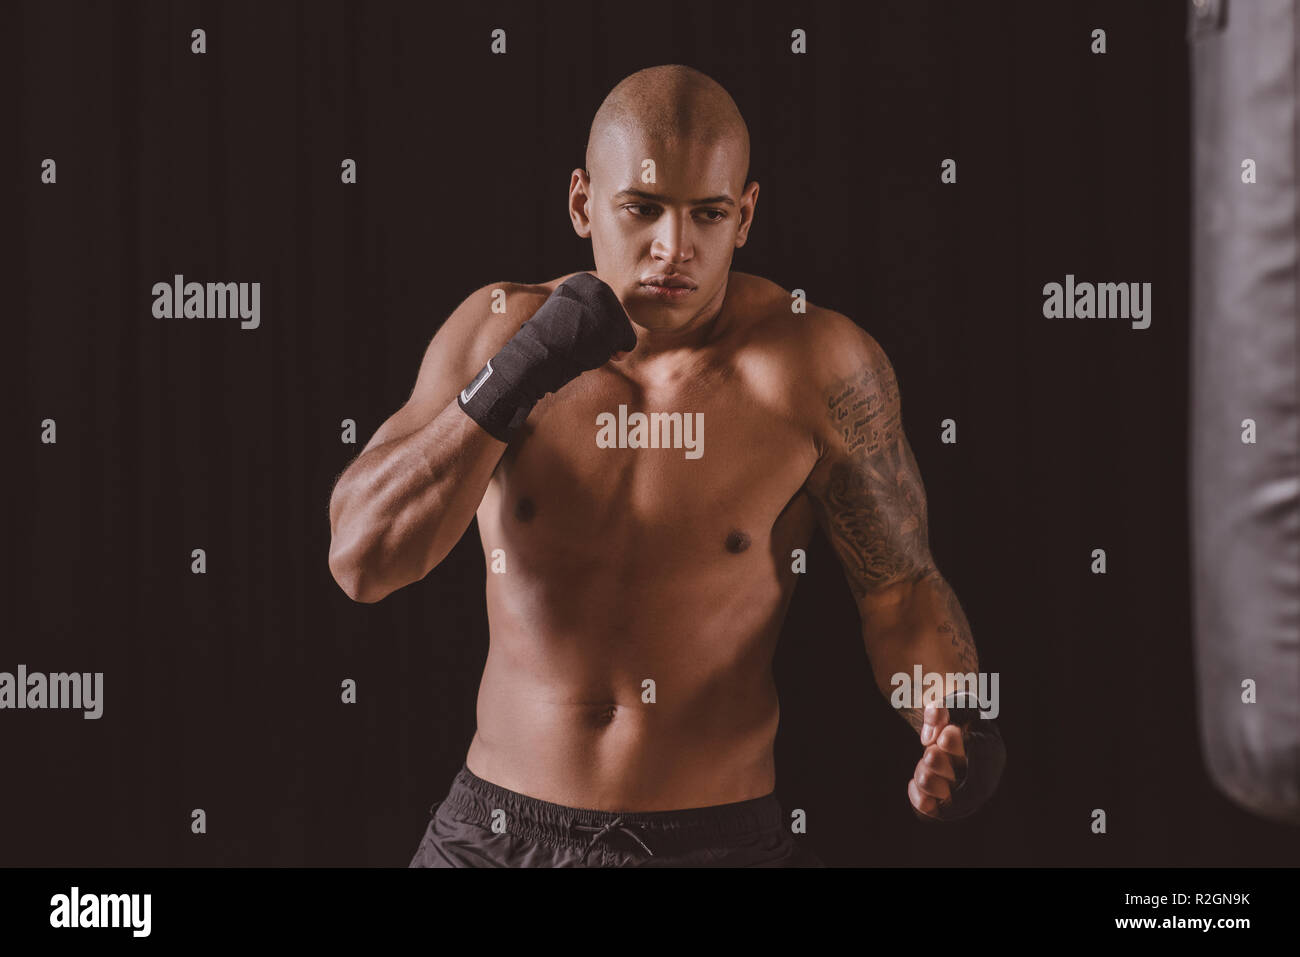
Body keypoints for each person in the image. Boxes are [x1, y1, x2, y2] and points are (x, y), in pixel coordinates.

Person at [327, 64, 1005, 867]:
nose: (673, 248)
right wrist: (517, 374)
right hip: (495, 838)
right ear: (583, 203)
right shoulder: (495, 330)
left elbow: (901, 588)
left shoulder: (817, 366)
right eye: (641, 209)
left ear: (745, 214)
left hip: (714, 842)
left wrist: (955, 711)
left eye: (708, 214)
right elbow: (362, 560)